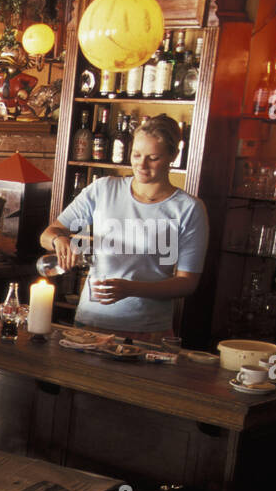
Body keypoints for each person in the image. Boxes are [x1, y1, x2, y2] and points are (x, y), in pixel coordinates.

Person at [41, 115, 208, 341]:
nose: (141, 164)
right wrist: (59, 240)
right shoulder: (103, 189)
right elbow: (48, 234)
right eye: (136, 155)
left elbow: (187, 283)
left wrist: (131, 289)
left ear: (173, 156)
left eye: (153, 157)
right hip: (90, 321)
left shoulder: (189, 209)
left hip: (147, 328)